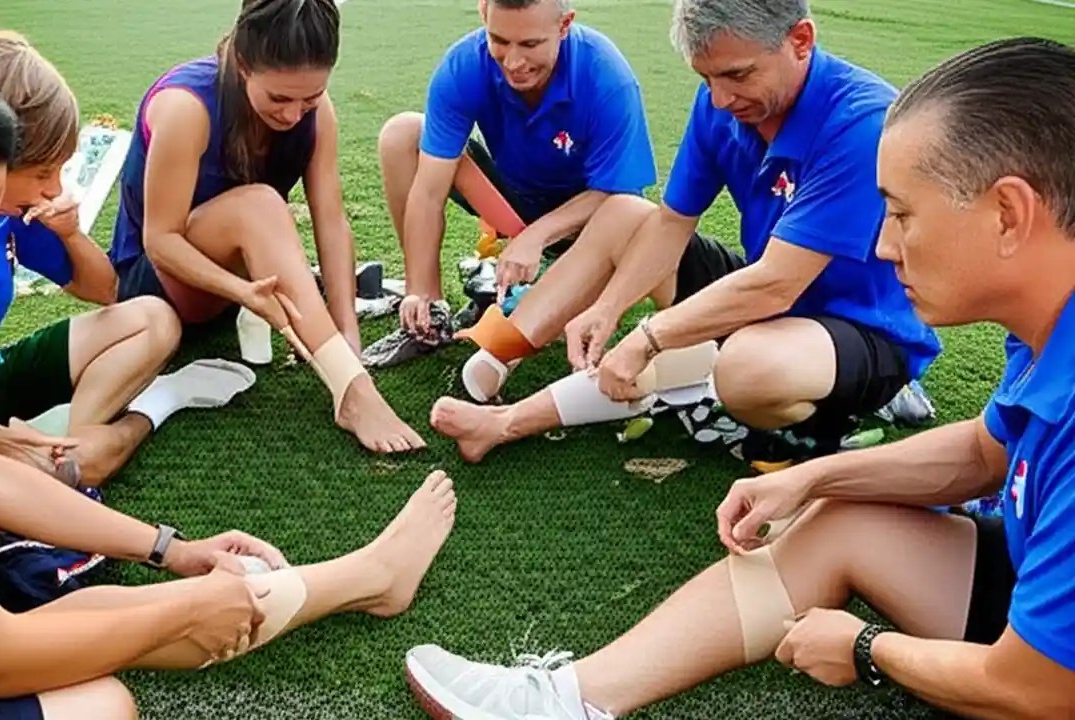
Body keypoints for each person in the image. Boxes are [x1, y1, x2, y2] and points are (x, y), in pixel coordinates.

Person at [404, 35, 1075, 719]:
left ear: (1009, 215)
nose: (884, 243)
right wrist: (812, 480)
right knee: (835, 512)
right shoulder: (1044, 330)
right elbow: (982, 454)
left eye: (903, 215)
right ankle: (568, 700)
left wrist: (866, 648)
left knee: (753, 372)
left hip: (1034, 666)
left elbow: (1041, 693)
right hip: (1010, 568)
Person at [0, 32, 460, 720]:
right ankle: (362, 578)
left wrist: (169, 549)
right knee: (97, 704)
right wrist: (188, 607)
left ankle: (363, 578)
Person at [432, 0, 941, 470]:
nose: (719, 98)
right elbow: (671, 224)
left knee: (747, 369)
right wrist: (609, 307)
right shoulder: (721, 105)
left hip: (863, 327)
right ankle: (502, 388)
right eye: (706, 77)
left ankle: (817, 414)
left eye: (737, 75)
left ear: (801, 40)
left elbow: (777, 284)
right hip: (770, 295)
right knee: (625, 213)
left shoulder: (860, 123)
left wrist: (649, 336)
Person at [0, 31, 248, 488]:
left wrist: (69, 233)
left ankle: (74, 440)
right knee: (42, 474)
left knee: (154, 318)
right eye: (43, 172)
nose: (54, 188)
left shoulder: (10, 213)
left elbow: (105, 290)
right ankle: (148, 411)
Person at [110, 0, 424, 455]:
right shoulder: (186, 107)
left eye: (310, 98)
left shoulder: (316, 114)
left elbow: (331, 222)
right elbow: (160, 241)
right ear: (242, 63)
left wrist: (347, 333)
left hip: (236, 285)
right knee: (259, 205)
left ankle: (344, 369)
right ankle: (353, 395)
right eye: (279, 99)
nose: (294, 115)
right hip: (156, 290)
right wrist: (244, 293)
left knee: (265, 208)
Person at [363, 0, 657, 367]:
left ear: (564, 25)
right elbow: (428, 191)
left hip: (591, 226)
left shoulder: (606, 75)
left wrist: (537, 237)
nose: (514, 62)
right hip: (514, 202)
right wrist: (418, 290)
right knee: (403, 134)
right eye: (499, 40)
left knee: (624, 218)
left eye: (530, 44)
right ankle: (431, 317)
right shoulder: (465, 65)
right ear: (483, 14)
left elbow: (619, 196)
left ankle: (563, 293)